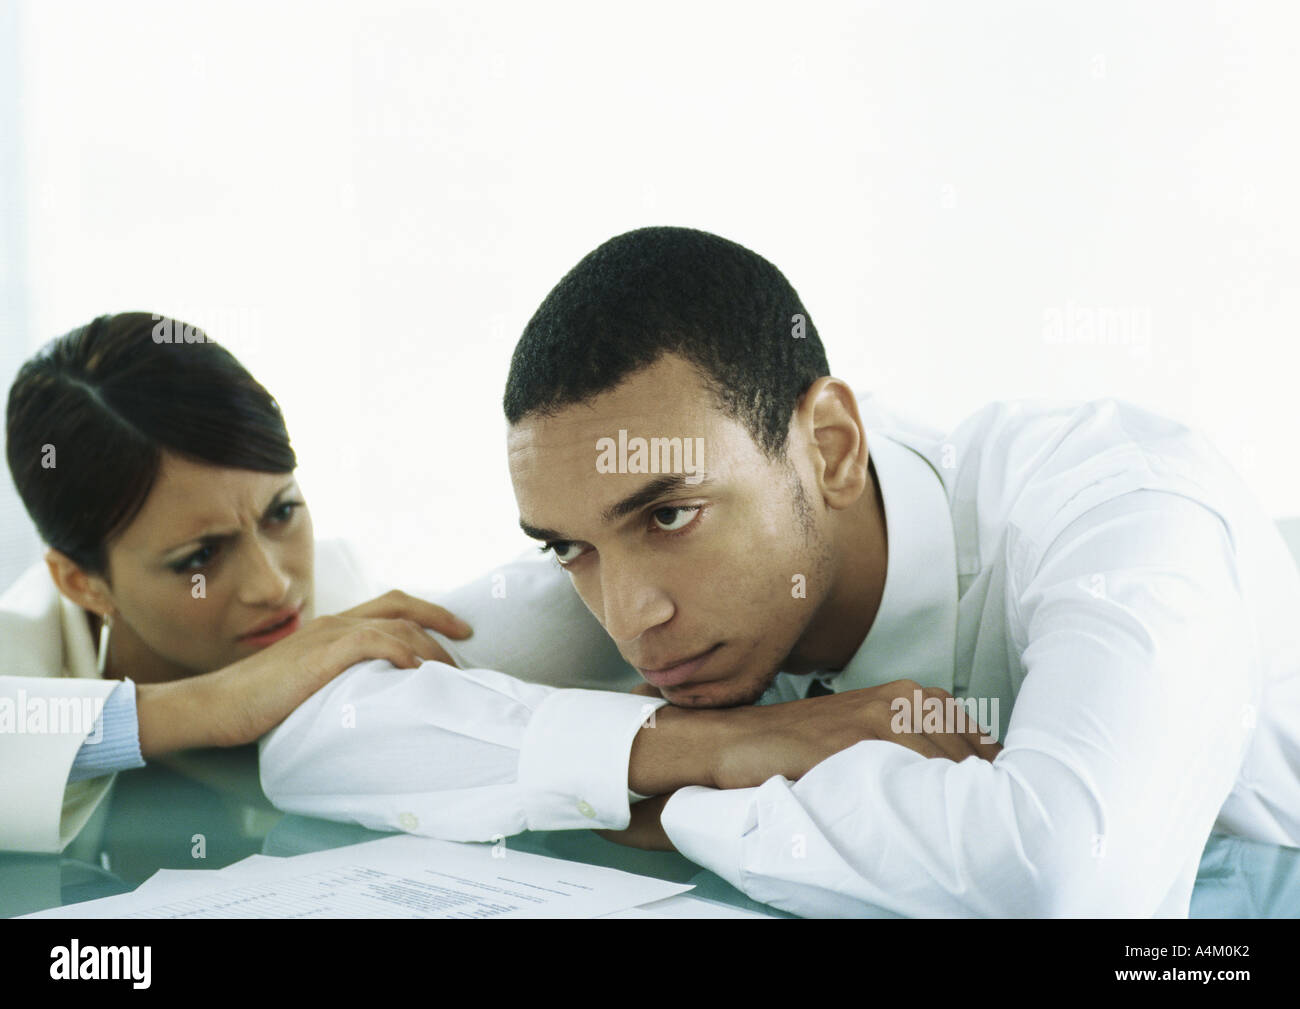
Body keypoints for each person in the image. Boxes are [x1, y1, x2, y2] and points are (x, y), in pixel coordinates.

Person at [259, 226, 1300, 917]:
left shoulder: (1120, 511)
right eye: (567, 547)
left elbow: (1064, 877)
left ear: (831, 447)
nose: (629, 618)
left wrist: (668, 800)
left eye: (670, 515)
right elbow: (315, 731)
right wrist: (723, 741)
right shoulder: (637, 566)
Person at [0, 312, 474, 854]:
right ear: (81, 582)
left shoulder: (353, 597)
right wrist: (207, 709)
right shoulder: (15, 651)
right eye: (200, 554)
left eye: (282, 511)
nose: (273, 584)